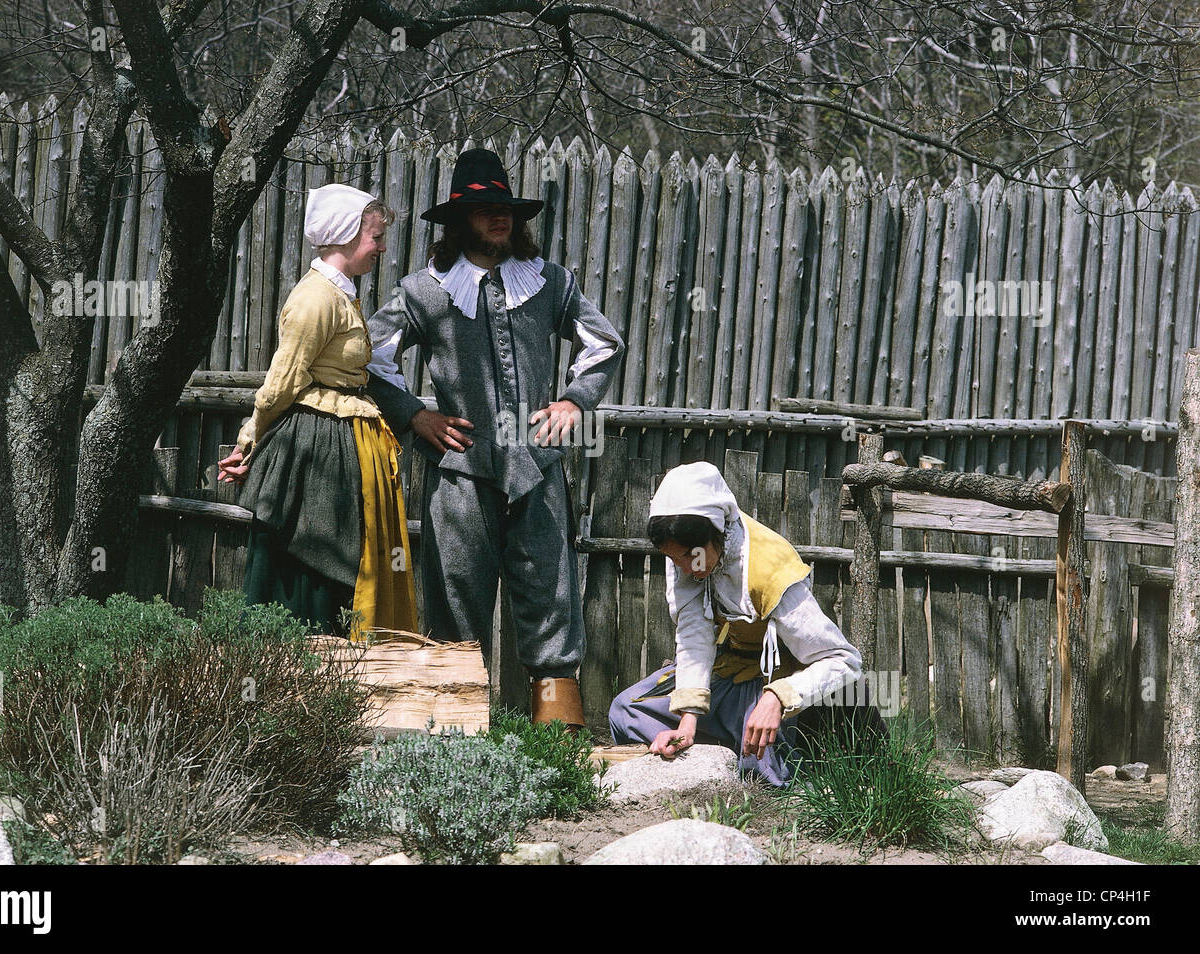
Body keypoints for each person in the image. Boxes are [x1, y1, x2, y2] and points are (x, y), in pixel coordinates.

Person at [364, 148, 625, 728]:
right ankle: (459, 753)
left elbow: (604, 344)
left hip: (537, 470)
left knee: (552, 603)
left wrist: (573, 401)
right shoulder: (424, 291)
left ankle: (558, 754)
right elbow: (370, 356)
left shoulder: (550, 283)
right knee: (456, 609)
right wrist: (414, 415)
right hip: (458, 476)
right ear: (459, 221)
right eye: (484, 210)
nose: (498, 218)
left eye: (503, 208)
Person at [217, 183, 417, 639]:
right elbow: (280, 384)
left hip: (339, 442)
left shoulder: (341, 294)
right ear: (346, 234)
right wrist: (250, 441)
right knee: (311, 563)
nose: (382, 248)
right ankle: (293, 677)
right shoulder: (315, 299)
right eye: (375, 237)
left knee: (346, 562)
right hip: (314, 449)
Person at [609, 462, 887, 785]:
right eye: (675, 560)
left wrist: (778, 697)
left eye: (689, 556)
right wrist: (688, 720)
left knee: (764, 769)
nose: (685, 568)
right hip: (726, 677)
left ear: (716, 532)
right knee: (626, 710)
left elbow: (845, 661)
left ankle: (753, 752)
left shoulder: (769, 567)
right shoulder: (688, 558)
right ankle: (719, 751)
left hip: (772, 684)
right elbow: (694, 634)